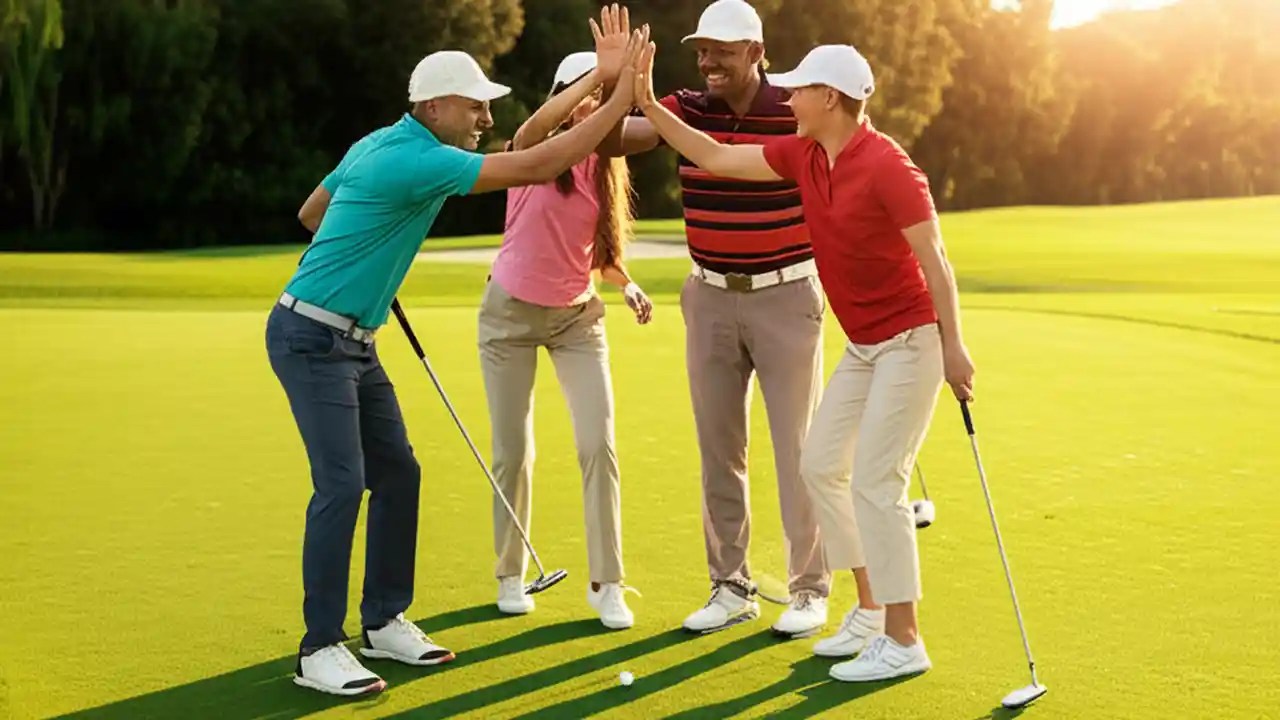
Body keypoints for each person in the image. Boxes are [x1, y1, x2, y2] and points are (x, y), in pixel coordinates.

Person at [266, 9, 648, 696]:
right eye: (474, 107)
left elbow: (312, 213)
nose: (481, 118)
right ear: (434, 106)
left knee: (400, 474)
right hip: (310, 338)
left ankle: (383, 619)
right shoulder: (421, 157)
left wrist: (367, 270)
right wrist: (617, 95)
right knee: (343, 483)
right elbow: (539, 160)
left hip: (351, 336)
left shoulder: (377, 143)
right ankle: (319, 646)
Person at [632, 42, 976, 682]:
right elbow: (713, 155)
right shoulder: (805, 153)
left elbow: (937, 261)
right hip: (866, 345)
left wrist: (954, 346)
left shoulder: (890, 167)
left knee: (878, 482)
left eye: (798, 90)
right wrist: (649, 103)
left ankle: (905, 640)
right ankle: (871, 612)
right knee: (820, 466)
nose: (785, 98)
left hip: (912, 341)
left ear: (831, 98)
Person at [615, 0, 832, 638]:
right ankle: (730, 586)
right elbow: (614, 140)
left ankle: (809, 589)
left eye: (722, 51)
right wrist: (615, 89)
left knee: (799, 451)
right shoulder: (684, 104)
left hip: (786, 295)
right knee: (719, 450)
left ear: (756, 54)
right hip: (709, 296)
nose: (707, 61)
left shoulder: (792, 110)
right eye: (701, 49)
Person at [481, 10, 654, 631]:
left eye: (605, 102)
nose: (596, 112)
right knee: (513, 451)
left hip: (577, 318)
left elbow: (601, 257)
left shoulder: (606, 172)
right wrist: (598, 80)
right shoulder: (529, 152)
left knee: (597, 446)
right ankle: (510, 572)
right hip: (509, 317)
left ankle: (608, 583)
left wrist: (628, 285)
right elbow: (534, 128)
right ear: (565, 97)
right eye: (584, 98)